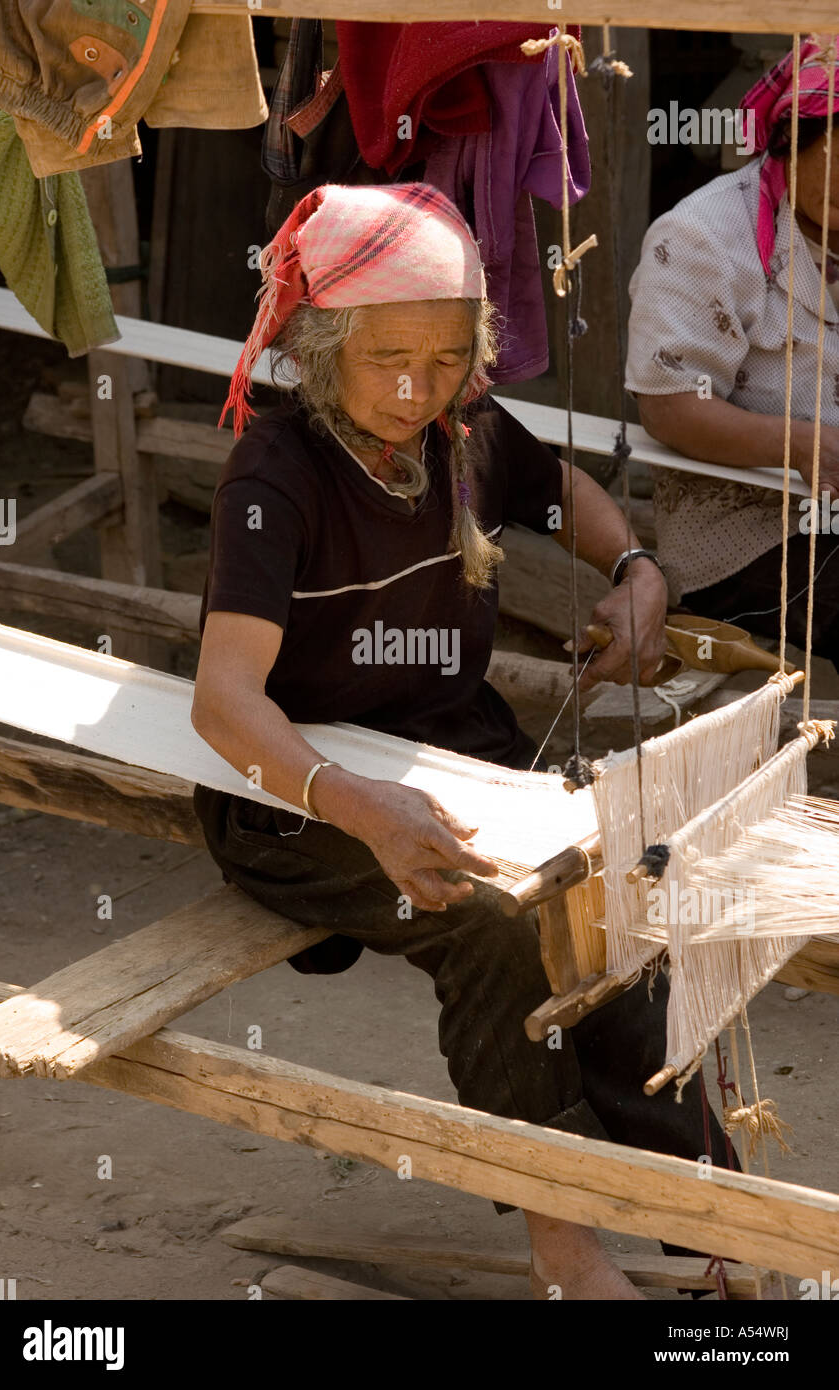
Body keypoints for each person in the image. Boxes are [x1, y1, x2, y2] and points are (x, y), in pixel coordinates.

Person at [191, 181, 732, 1301]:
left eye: (444, 360)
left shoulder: (465, 434)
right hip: (293, 793)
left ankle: (708, 1219)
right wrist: (359, 806)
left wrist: (632, 571)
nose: (413, 388)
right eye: (385, 356)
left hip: (460, 759)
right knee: (489, 922)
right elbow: (224, 703)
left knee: (609, 903)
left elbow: (557, 492)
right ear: (322, 341)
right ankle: (563, 1244)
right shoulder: (275, 475)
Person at [626, 37, 839, 667]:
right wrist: (807, 446)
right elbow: (669, 407)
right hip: (744, 537)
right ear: (789, 144)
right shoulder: (705, 237)